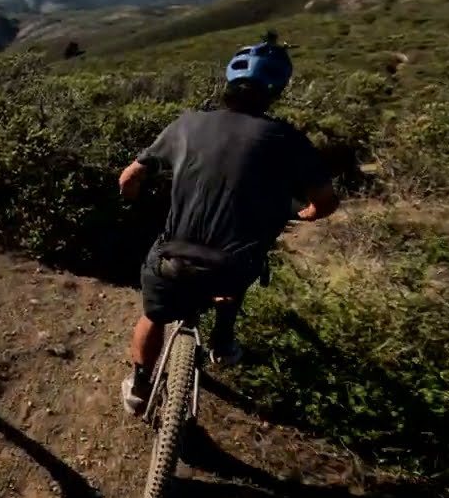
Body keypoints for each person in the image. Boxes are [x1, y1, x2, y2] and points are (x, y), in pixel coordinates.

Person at [116, 32, 339, 414]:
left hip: (172, 257)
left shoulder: (186, 124)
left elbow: (128, 178)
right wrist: (302, 215)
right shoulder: (288, 140)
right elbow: (325, 202)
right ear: (275, 92)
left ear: (229, 84)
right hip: (234, 266)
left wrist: (132, 203)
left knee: (153, 314)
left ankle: (138, 387)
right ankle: (223, 341)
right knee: (238, 271)